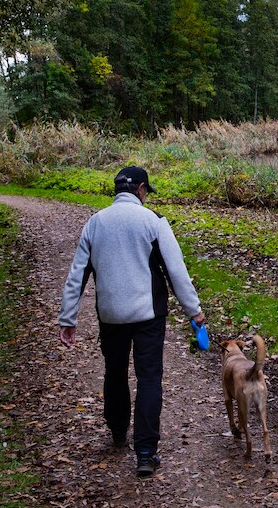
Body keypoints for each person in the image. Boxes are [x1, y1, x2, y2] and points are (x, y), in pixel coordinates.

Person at [58, 165, 205, 478]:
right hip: (148, 315)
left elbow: (77, 275)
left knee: (114, 372)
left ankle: (117, 431)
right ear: (140, 189)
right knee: (149, 378)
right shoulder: (152, 221)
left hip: (111, 314)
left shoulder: (95, 223)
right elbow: (176, 271)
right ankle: (145, 452)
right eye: (146, 191)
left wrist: (68, 318)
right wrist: (194, 311)